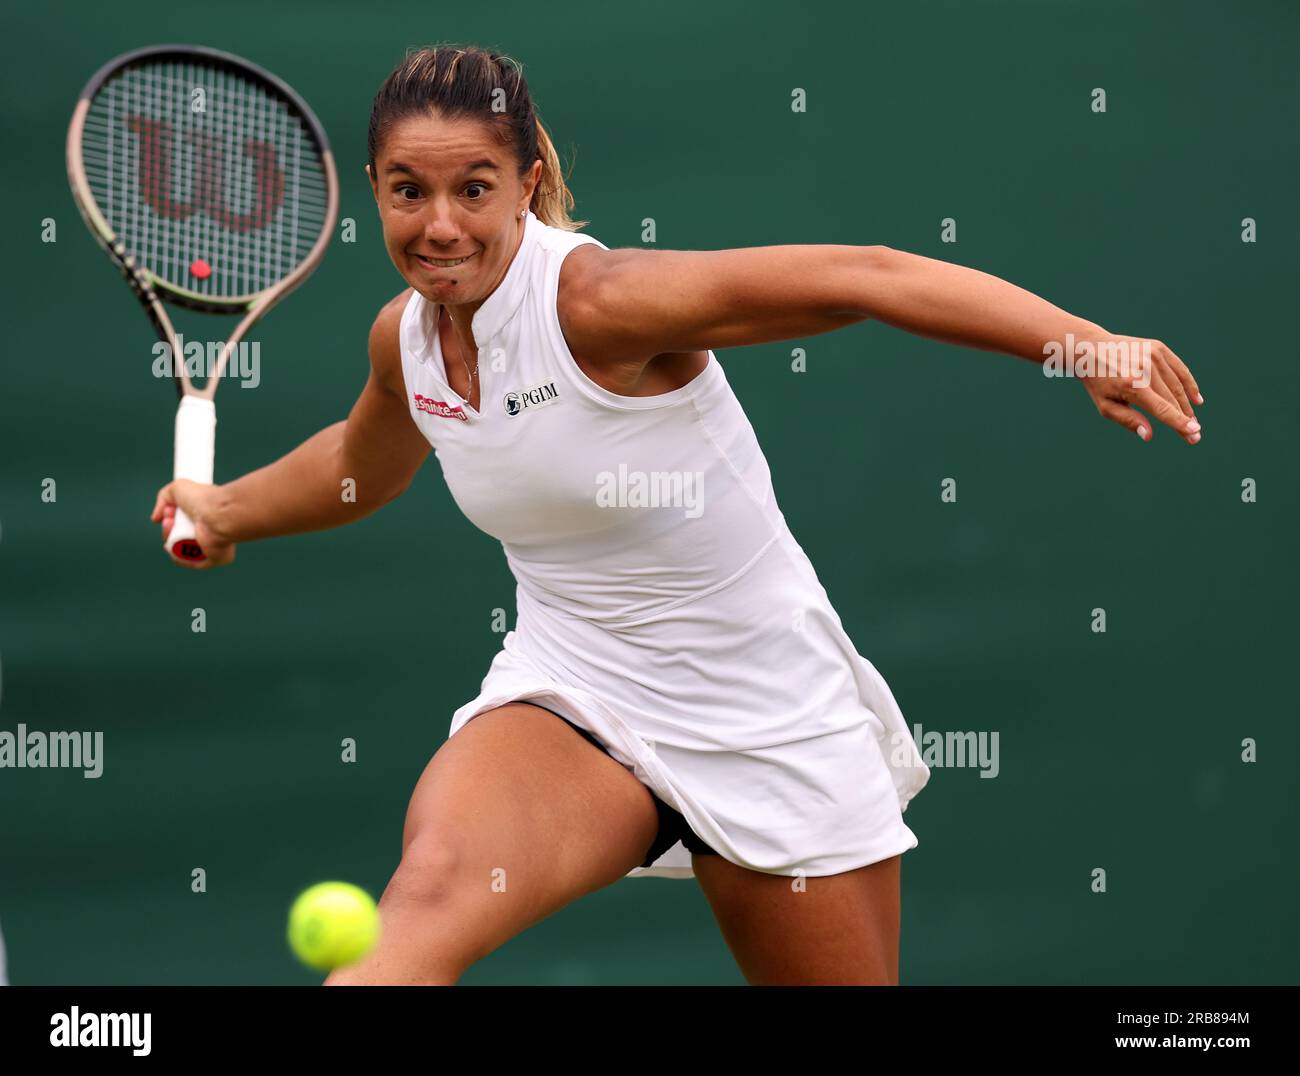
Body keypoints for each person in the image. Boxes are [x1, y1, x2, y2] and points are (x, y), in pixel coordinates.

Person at [150, 45, 1203, 986]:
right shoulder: (408, 343)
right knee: (420, 905)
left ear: (529, 183)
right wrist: (227, 507)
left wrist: (1080, 342)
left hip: (766, 713)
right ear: (374, 194)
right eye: (406, 190)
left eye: (473, 187)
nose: (438, 225)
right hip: (575, 689)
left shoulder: (601, 302)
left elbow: (863, 276)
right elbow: (358, 465)